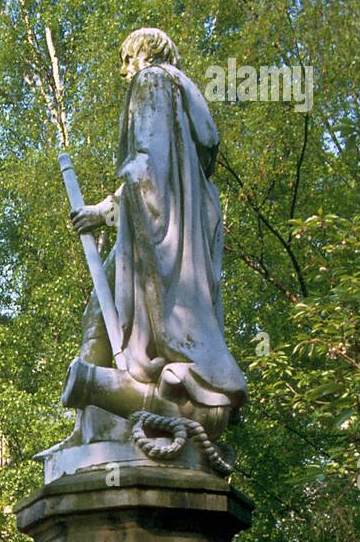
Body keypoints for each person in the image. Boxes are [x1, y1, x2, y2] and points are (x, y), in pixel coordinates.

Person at [64, 27, 247, 440]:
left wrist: (102, 211)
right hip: (183, 243)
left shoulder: (153, 82)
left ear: (147, 53)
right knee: (101, 310)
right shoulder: (187, 100)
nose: (125, 70)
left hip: (155, 239)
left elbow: (147, 168)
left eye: (129, 59)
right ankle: (91, 427)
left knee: (100, 310)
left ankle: (96, 417)